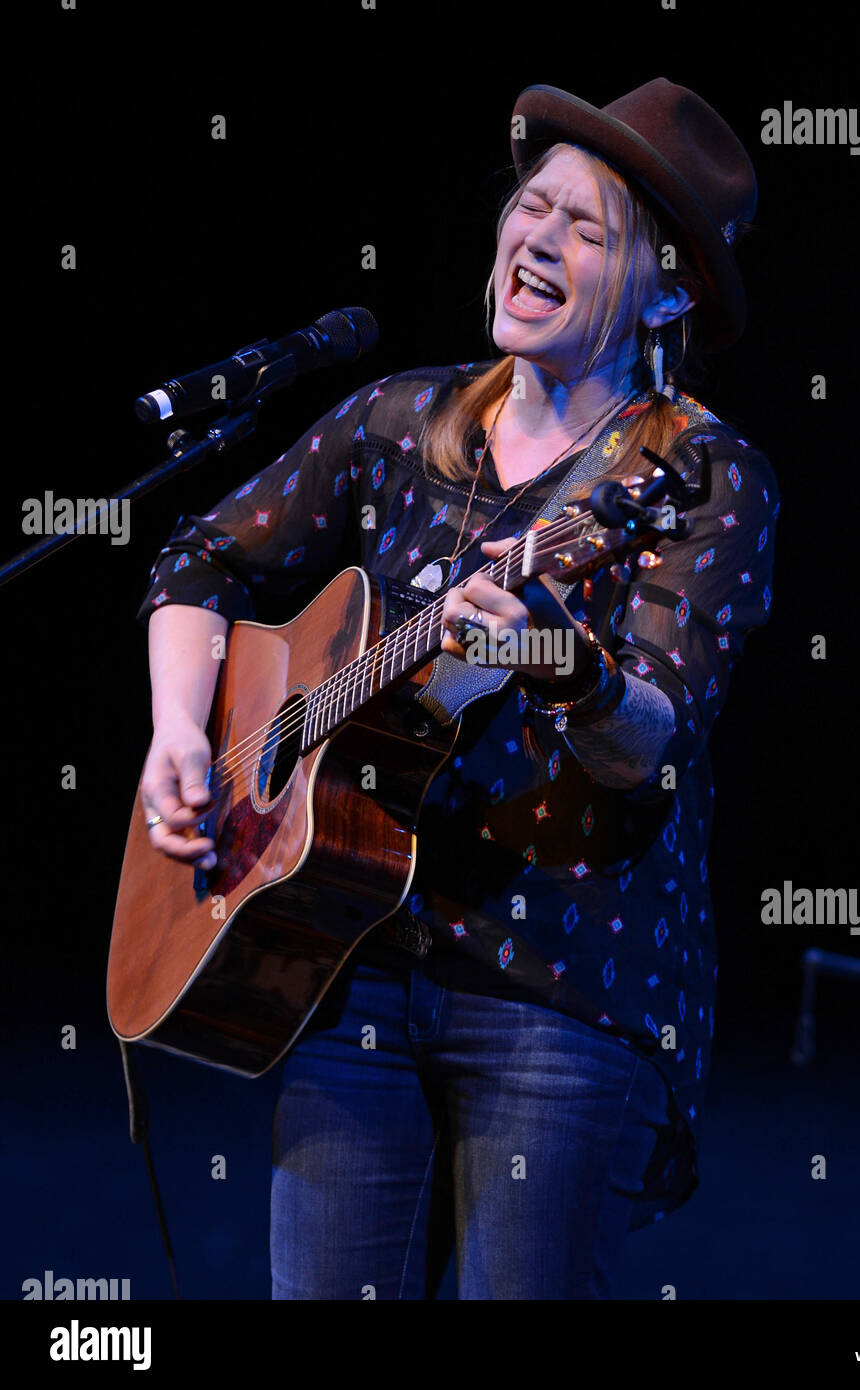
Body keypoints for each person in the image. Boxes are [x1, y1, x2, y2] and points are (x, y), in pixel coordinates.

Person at [136, 78, 780, 1299]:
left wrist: (561, 666)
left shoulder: (697, 477)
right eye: (529, 208)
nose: (533, 238)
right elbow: (199, 561)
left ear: (668, 288)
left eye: (586, 230)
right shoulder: (400, 419)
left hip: (562, 995)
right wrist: (180, 730)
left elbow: (652, 737)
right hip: (353, 967)